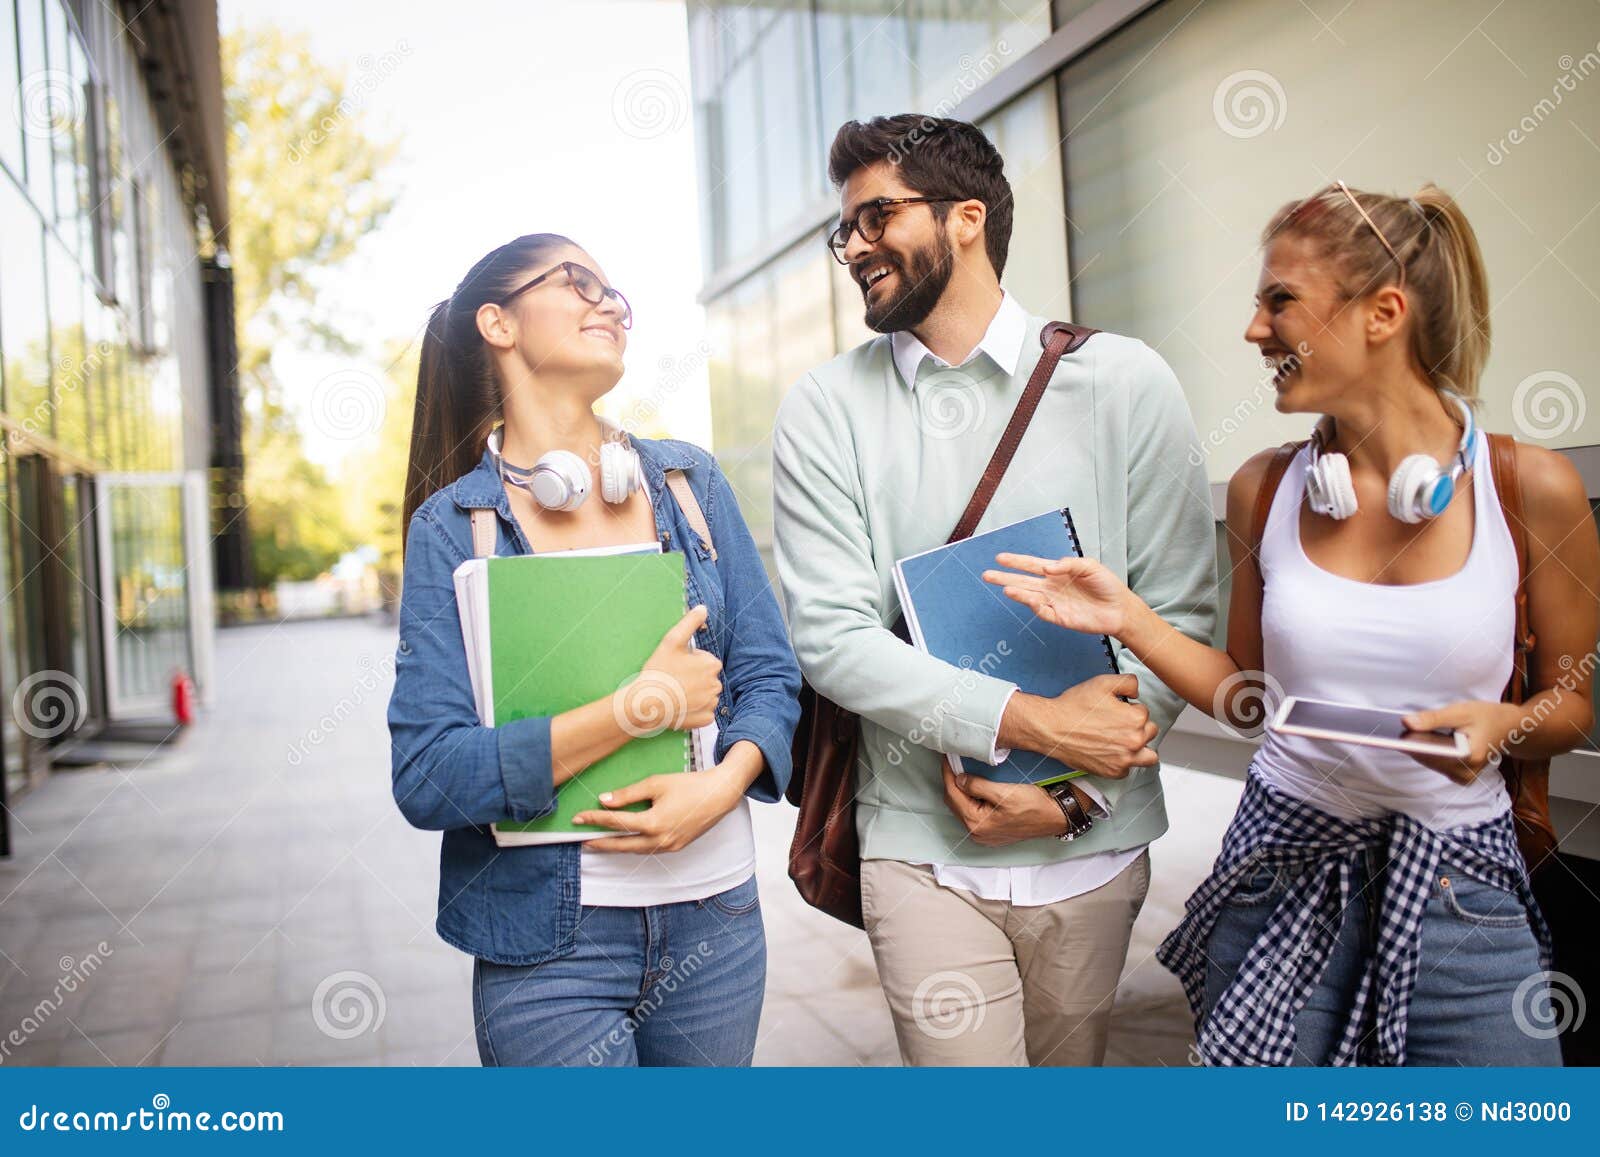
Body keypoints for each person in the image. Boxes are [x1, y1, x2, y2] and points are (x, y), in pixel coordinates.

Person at [984, 182, 1599, 1066]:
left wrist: (1509, 723)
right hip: (1283, 864)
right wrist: (1130, 617)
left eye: (1280, 301)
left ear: (1383, 313)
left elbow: (1570, 707)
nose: (1253, 329)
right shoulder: (1265, 489)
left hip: (1460, 889)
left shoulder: (1529, 489)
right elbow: (1247, 701)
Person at [772, 115, 1218, 1066]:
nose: (853, 247)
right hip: (918, 849)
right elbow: (831, 636)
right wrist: (1037, 725)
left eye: (875, 217)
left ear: (965, 217)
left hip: (1096, 847)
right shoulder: (824, 408)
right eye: (842, 230)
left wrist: (1073, 800)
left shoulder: (1127, 382)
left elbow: (1181, 619)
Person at [387, 233, 801, 1067]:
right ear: (497, 322)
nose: (609, 302)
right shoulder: (452, 529)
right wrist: (630, 710)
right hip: (547, 947)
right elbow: (428, 773)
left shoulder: (690, 484)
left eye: (616, 293)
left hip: (716, 922)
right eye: (578, 282)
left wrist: (720, 787)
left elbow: (768, 672)